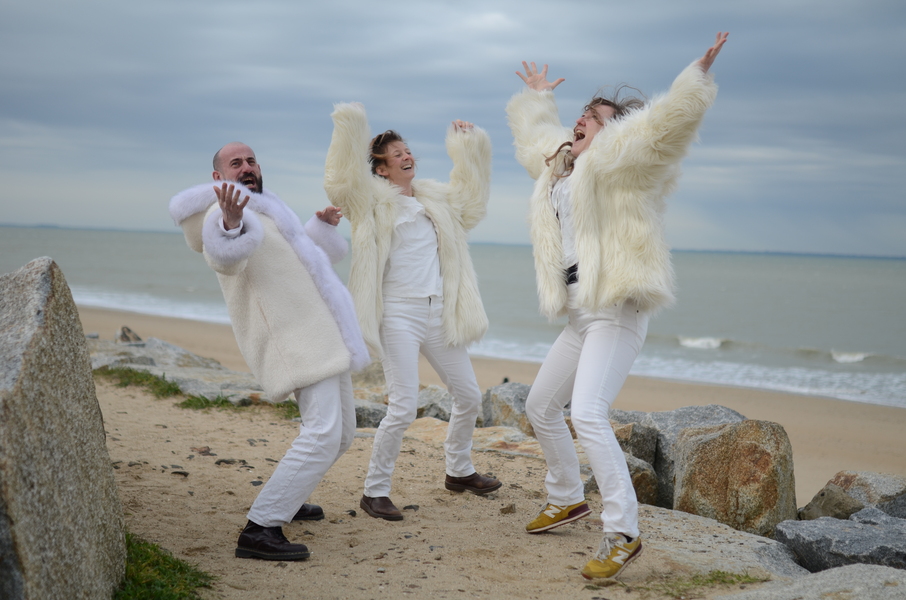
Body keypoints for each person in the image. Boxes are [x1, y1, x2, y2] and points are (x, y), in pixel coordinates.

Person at [506, 33, 728, 580]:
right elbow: (537, 136)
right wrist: (538, 99)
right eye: (583, 113)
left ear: (615, 133)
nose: (583, 119)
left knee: (587, 413)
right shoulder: (562, 168)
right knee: (540, 407)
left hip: (617, 309)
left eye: (597, 117)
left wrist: (693, 80)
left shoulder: (620, 166)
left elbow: (659, 130)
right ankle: (566, 496)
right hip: (582, 312)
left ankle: (622, 530)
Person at [168, 142, 370, 560]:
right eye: (235, 163)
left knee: (342, 433)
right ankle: (261, 527)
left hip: (320, 333)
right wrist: (230, 221)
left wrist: (318, 228)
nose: (247, 167)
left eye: (251, 160)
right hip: (292, 338)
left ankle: (289, 499)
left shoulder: (267, 209)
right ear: (218, 177)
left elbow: (299, 261)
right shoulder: (222, 213)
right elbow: (224, 258)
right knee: (322, 433)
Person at [323, 103, 501, 521]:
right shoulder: (370, 204)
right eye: (396, 153)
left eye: (408, 150)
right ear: (381, 169)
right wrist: (350, 128)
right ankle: (375, 490)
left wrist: (468, 145)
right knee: (403, 407)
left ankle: (459, 471)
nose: (407, 156)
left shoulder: (436, 200)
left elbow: (472, 202)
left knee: (469, 396)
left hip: (440, 313)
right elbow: (340, 183)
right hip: (397, 314)